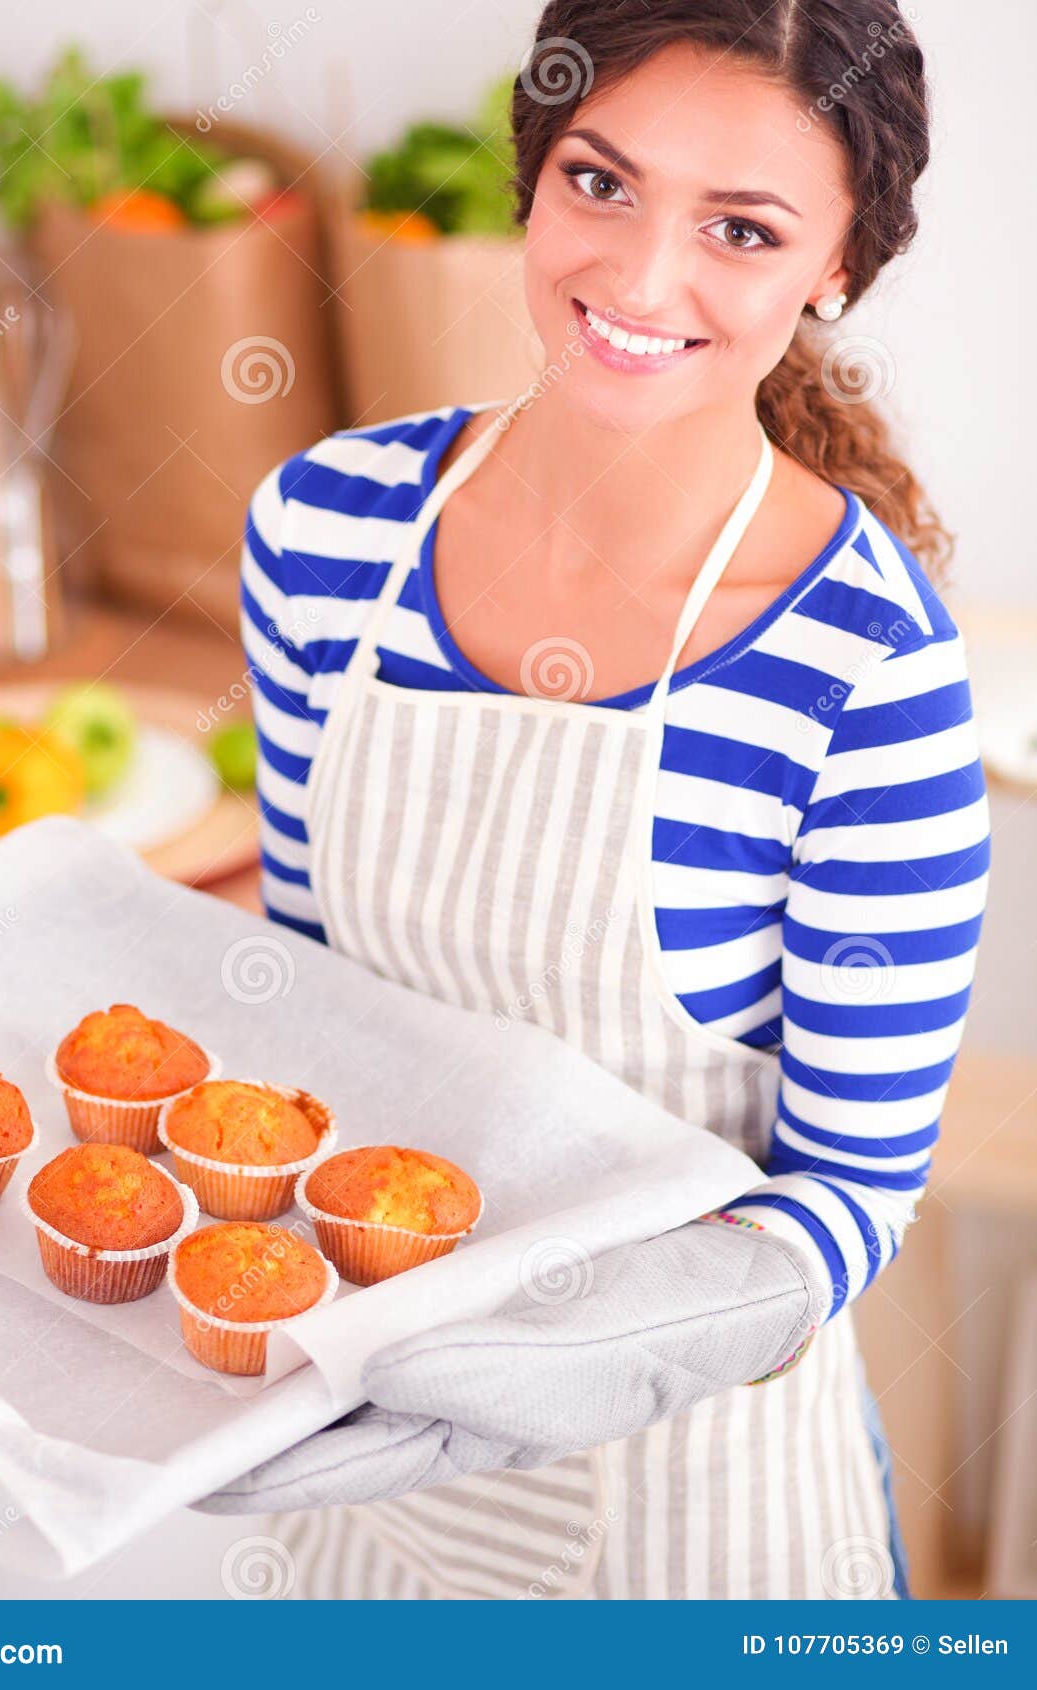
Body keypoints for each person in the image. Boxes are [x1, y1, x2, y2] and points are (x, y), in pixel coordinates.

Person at [203, 0, 991, 1599]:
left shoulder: (865, 677)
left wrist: (594, 1351)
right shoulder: (323, 531)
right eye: (600, 183)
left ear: (835, 268)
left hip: (692, 1514)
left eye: (743, 228)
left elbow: (848, 1193)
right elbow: (308, 1011)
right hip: (354, 1461)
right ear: (532, 171)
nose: (636, 281)